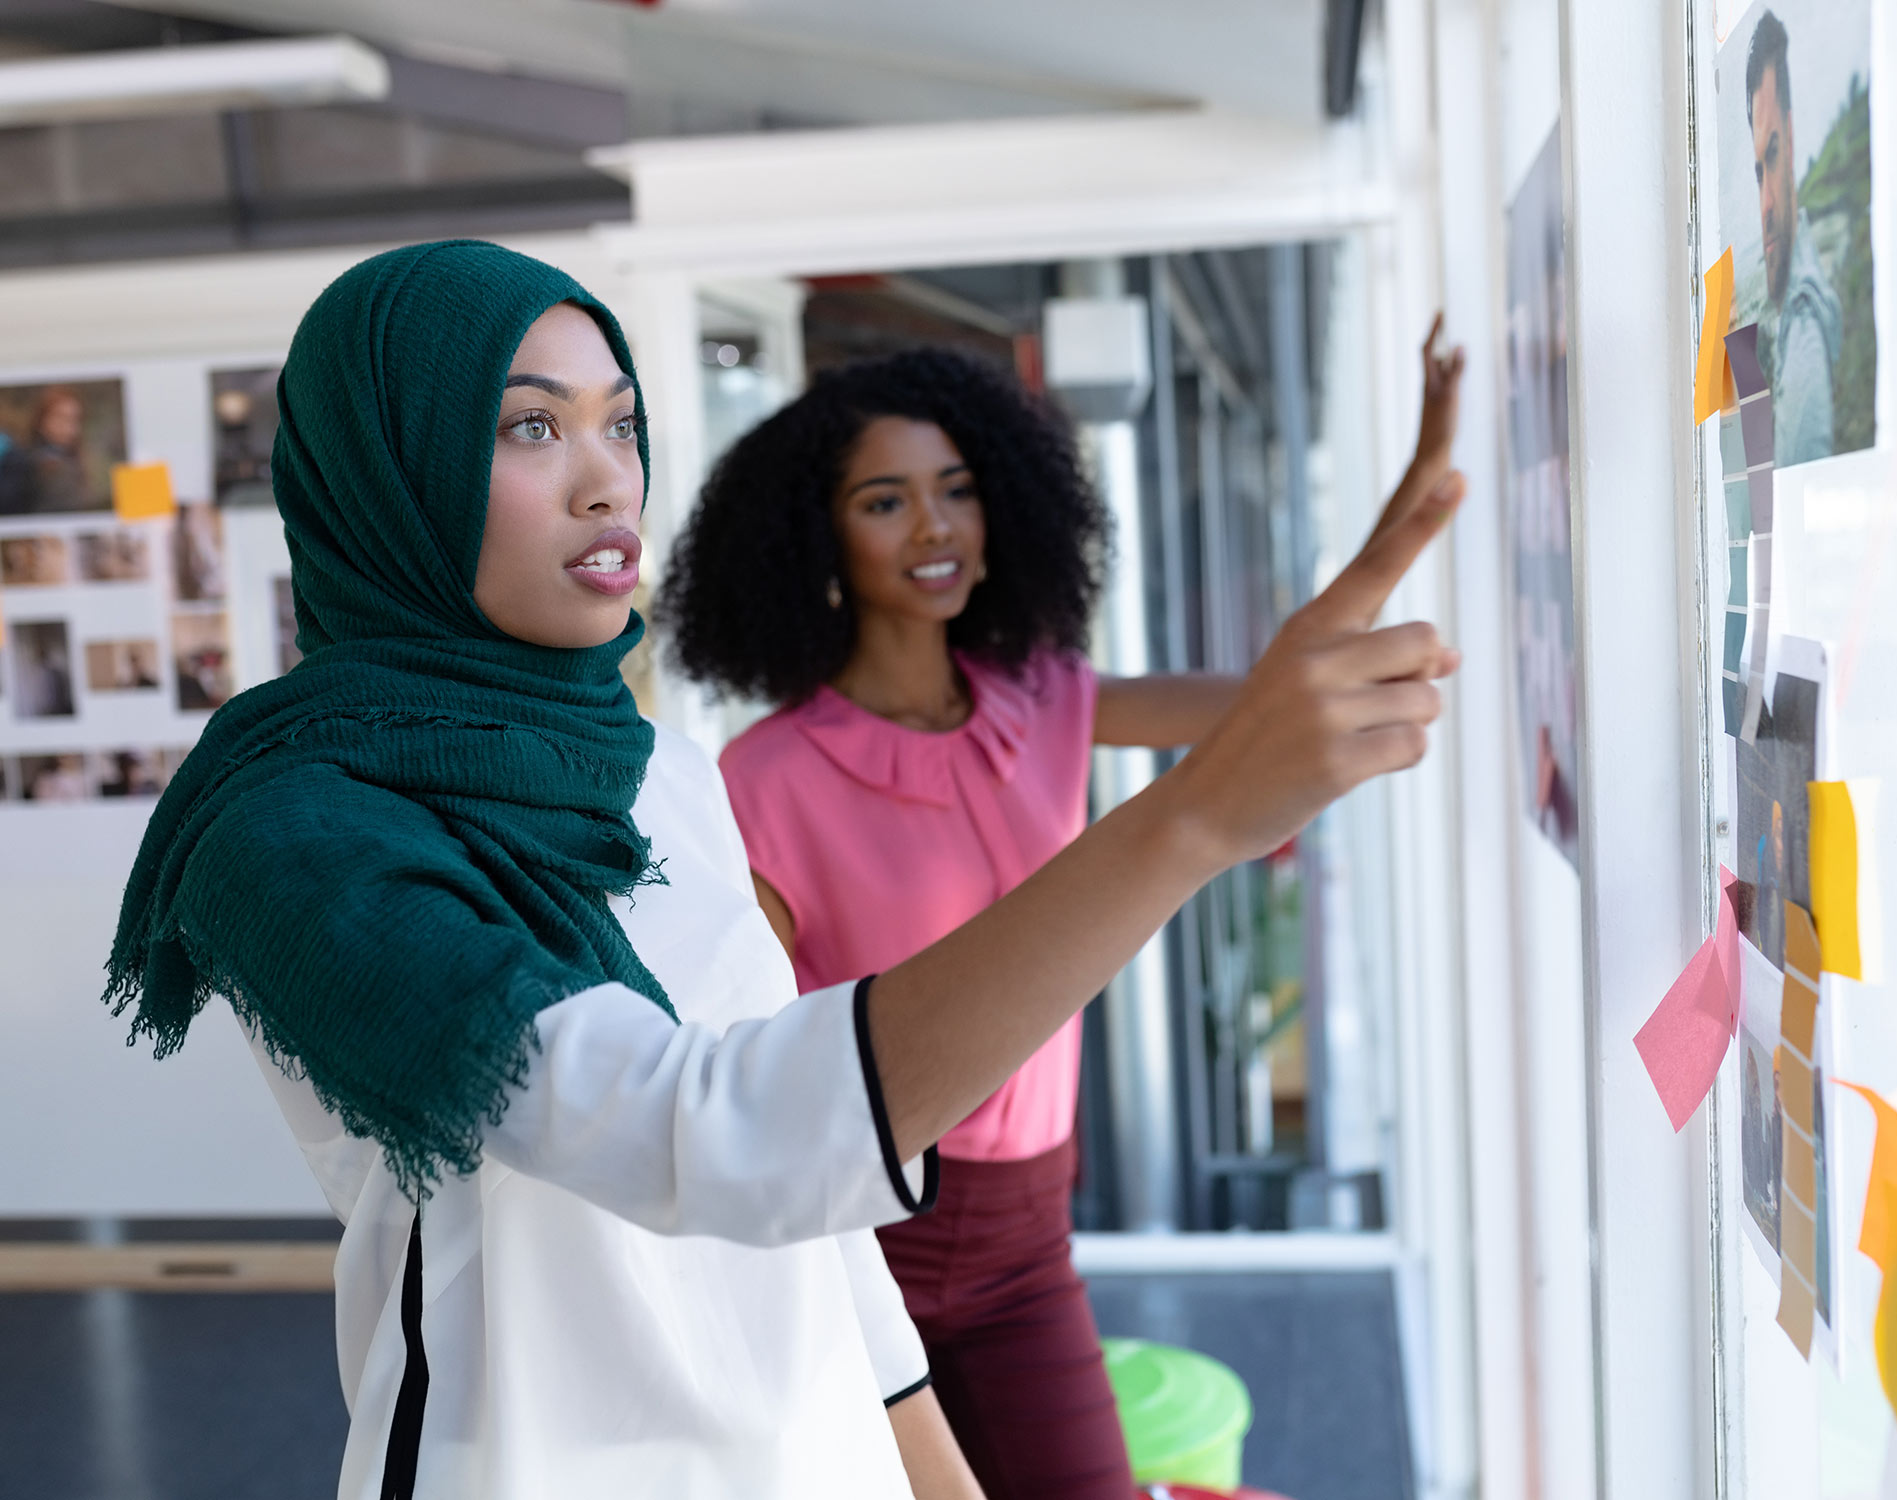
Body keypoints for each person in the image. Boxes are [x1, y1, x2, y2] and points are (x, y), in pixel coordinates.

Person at [103, 241, 1457, 1500]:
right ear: (384, 466)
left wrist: (933, 1469)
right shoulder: (287, 833)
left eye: (619, 422)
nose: (606, 477)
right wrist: (1194, 823)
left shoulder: (661, 771)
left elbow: (808, 1233)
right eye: (531, 425)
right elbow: (706, 1130)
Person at [662, 330, 1463, 1499]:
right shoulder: (766, 779)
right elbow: (762, 1070)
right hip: (856, 1242)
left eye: (958, 491)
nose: (935, 527)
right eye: (885, 501)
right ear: (817, 539)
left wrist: (1419, 484)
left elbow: (1277, 703)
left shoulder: (1048, 700)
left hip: (1029, 1239)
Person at [1747, 9, 1841, 467]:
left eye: (1774, 154)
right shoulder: (1785, 315)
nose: (1765, 202)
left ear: (1794, 135)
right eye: (1756, 171)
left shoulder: (1803, 331)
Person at [0, 386, 91, 514]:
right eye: (61, 418)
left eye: (75, 420)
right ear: (42, 420)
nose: (70, 428)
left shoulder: (74, 462)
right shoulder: (20, 461)